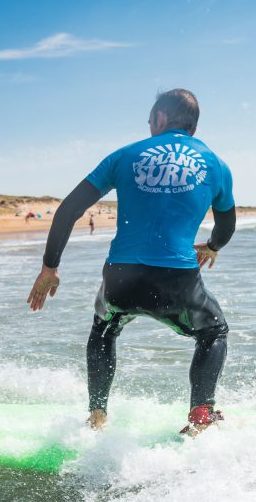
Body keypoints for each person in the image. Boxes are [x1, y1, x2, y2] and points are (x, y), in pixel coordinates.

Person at [27, 88, 236, 436]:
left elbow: (68, 210)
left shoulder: (125, 155)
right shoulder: (215, 164)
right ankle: (201, 415)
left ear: (161, 118)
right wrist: (212, 246)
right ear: (193, 127)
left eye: (150, 120)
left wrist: (50, 267)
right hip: (177, 280)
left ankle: (97, 415)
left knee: (104, 328)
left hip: (120, 279)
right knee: (213, 331)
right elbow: (227, 224)